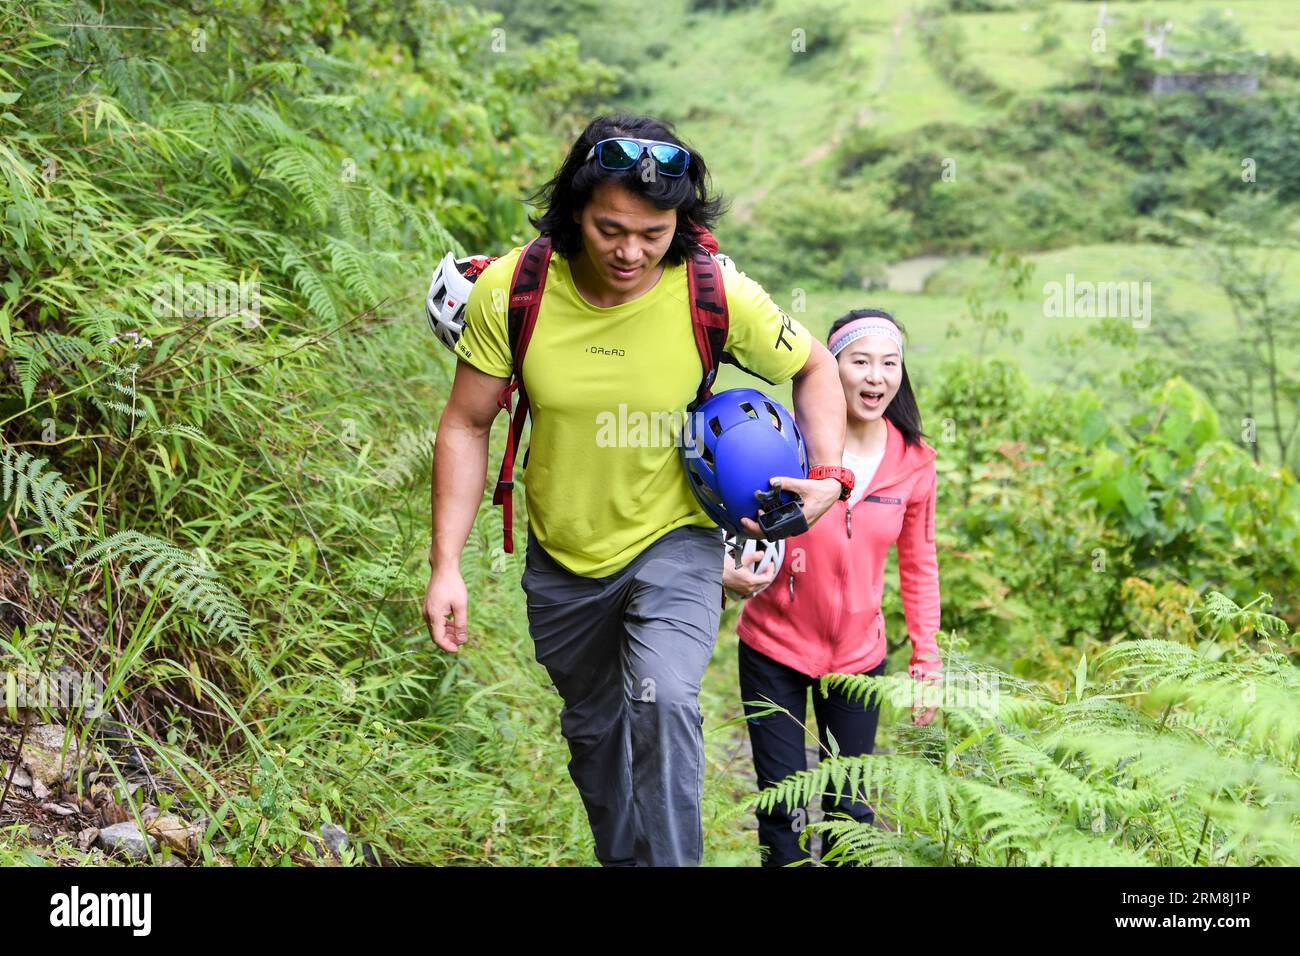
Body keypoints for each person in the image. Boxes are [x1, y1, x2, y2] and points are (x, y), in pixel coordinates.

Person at [423, 113, 852, 866]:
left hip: (676, 541)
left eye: (654, 233)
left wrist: (830, 476)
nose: (630, 251)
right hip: (563, 557)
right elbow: (466, 425)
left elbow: (814, 366)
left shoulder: (714, 291)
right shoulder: (512, 290)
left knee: (663, 700)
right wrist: (446, 565)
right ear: (574, 213)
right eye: (610, 229)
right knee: (593, 735)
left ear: (680, 223)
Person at [724, 308, 944, 867]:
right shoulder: (789, 444)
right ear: (831, 367)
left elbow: (919, 561)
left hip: (859, 658)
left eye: (889, 364)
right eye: (860, 361)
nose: (876, 377)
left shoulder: (915, 462)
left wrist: (927, 657)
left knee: (851, 810)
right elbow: (732, 518)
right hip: (774, 647)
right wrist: (726, 573)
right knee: (784, 809)